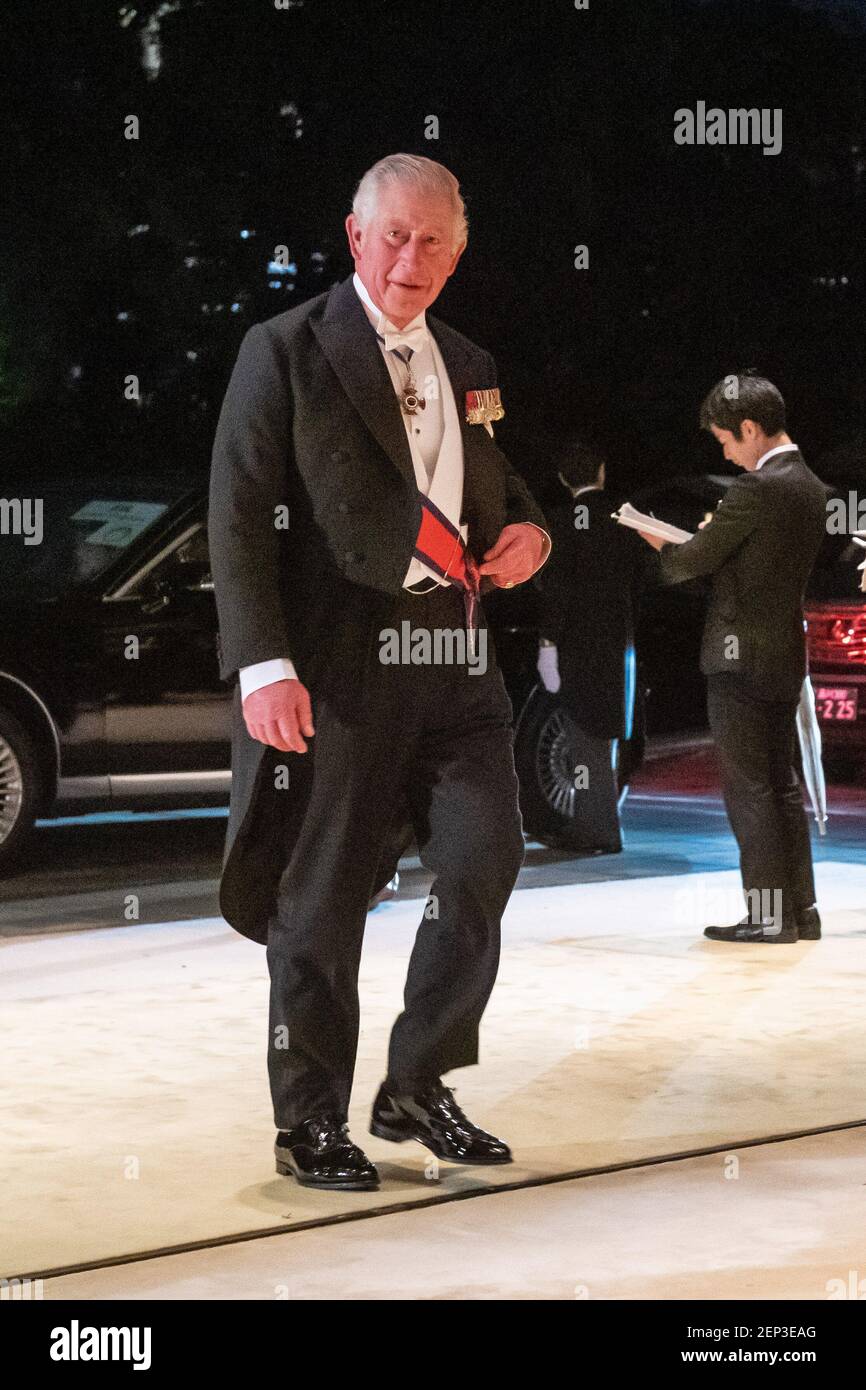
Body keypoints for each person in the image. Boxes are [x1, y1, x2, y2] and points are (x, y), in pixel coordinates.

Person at [208, 153, 551, 1191]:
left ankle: (417, 1080)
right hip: (335, 661)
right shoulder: (285, 348)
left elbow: (492, 482)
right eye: (393, 235)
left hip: (453, 653)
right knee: (321, 899)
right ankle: (308, 1120)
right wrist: (262, 664)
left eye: (432, 240)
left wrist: (530, 530)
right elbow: (235, 513)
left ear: (457, 252)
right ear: (355, 238)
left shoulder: (469, 359)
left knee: (483, 859)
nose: (411, 257)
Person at [637, 371, 828, 943]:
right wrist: (714, 542)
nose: (725, 451)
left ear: (749, 428)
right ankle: (801, 911)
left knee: (749, 790)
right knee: (781, 784)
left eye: (725, 440)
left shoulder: (755, 490)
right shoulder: (812, 486)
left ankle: (769, 917)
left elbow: (688, 564)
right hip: (782, 655)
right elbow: (753, 563)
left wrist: (666, 545)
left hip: (737, 657)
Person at [534, 437, 649, 851]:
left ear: (565, 479)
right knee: (605, 739)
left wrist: (548, 642)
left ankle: (596, 830)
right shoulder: (625, 520)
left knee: (584, 739)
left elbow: (557, 589)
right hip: (620, 642)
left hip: (578, 644)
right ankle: (600, 822)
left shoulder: (561, 522)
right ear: (602, 472)